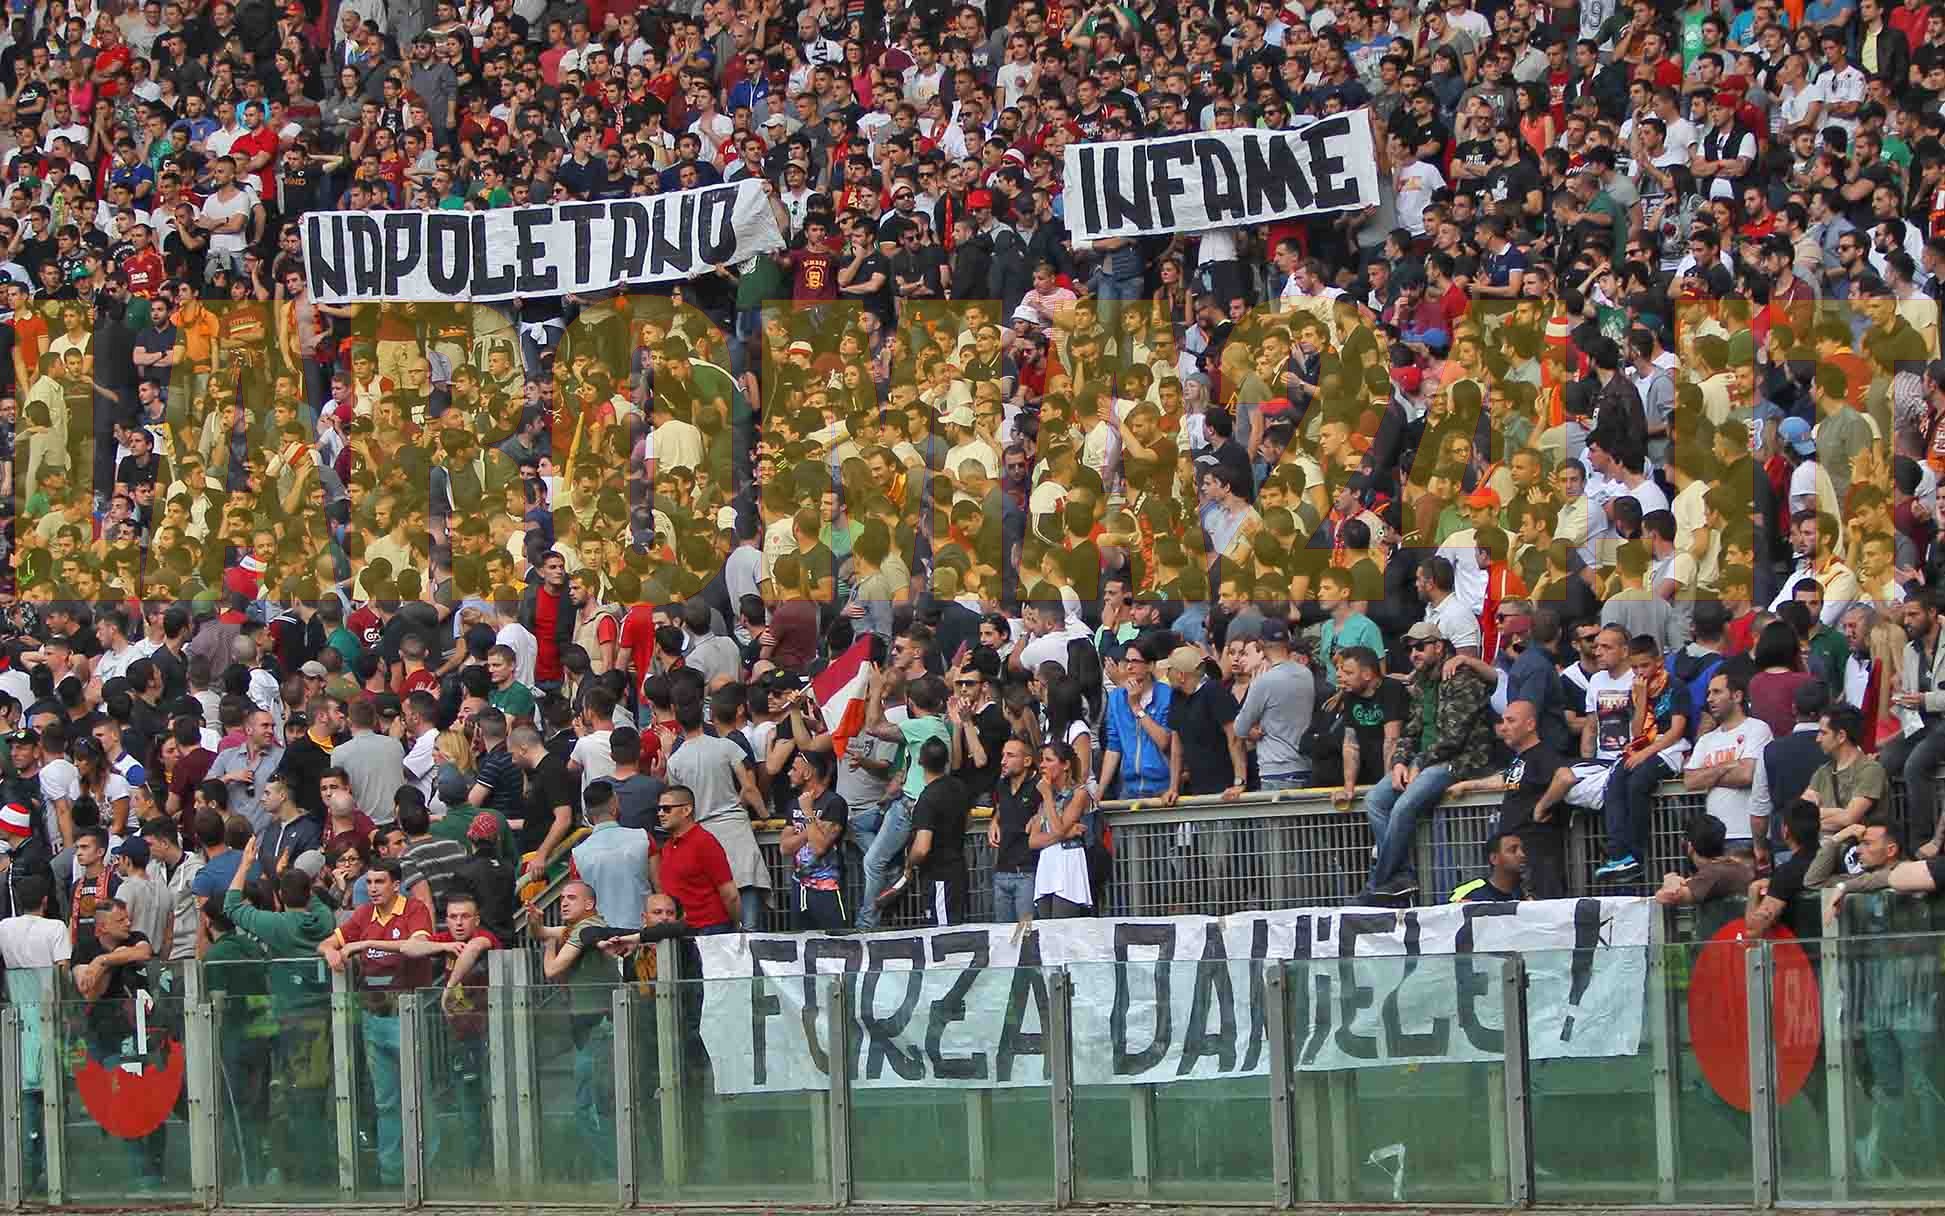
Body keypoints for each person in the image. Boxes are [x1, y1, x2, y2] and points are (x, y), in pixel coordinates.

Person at [317, 859, 434, 1188]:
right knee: (386, 1102)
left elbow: (418, 946)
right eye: (369, 883)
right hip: (373, 1016)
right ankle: (392, 1177)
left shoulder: (413, 909)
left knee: (418, 1095)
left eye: (379, 882)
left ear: (395, 884)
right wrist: (331, 953)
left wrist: (367, 944)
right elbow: (328, 942)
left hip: (406, 1014)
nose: (372, 888)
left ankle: (428, 1174)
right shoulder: (364, 913)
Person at [1361, 620, 1496, 901]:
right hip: (1422, 763)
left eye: (1420, 647)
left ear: (1439, 646)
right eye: (1410, 649)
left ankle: (1378, 884)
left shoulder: (1463, 678)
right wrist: (1400, 761)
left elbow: (1453, 738)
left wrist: (1417, 763)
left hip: (1460, 762)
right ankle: (1401, 875)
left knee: (1404, 805)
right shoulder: (1420, 684)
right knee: (1375, 799)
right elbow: (1411, 730)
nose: (1414, 654)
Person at [526, 881, 616, 1173]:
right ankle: (611, 1172)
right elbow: (540, 932)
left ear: (589, 905)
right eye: (562, 898)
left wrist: (549, 946)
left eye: (571, 898)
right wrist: (535, 923)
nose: (563, 903)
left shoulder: (586, 928)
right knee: (590, 1104)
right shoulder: (577, 929)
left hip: (596, 1029)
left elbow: (552, 969)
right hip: (588, 1029)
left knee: (591, 1106)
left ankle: (612, 1173)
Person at [1594, 635, 1693, 882]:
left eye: (1644, 666)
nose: (1640, 672)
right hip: (1644, 747)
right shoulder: (1636, 689)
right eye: (1635, 667)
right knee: (1616, 779)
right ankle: (1618, 852)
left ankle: (1636, 854)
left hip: (1671, 749)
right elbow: (1637, 732)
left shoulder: (1675, 686)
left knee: (1638, 781)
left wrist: (1645, 754)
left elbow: (1677, 729)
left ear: (1658, 662)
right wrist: (1640, 701)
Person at [1459, 700, 1574, 897]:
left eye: (1511, 721)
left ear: (1530, 725)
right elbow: (1506, 779)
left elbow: (1566, 777)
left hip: (1538, 855)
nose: (1504, 727)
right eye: (1502, 721)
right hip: (1519, 860)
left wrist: (1541, 807)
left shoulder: (1543, 754)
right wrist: (1468, 785)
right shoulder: (1522, 759)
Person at [883, 738, 971, 925]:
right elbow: (968, 822)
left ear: (919, 762)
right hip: (958, 871)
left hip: (939, 877)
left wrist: (909, 864)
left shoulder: (927, 799)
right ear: (946, 760)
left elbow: (922, 848)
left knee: (943, 934)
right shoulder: (960, 787)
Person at [1682, 671, 1774, 850]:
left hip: (1747, 834)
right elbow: (1690, 781)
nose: (1709, 698)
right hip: (1713, 839)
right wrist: (1728, 765)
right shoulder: (1706, 740)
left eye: (1717, 692)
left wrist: (1708, 775)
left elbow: (1746, 775)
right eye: (1709, 693)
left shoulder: (1757, 729)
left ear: (1737, 696)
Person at [648, 787, 740, 935]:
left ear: (686, 810)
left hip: (710, 930)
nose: (660, 814)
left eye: (667, 809)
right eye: (658, 809)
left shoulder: (705, 842)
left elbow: (730, 894)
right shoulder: (668, 846)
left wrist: (736, 926)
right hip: (680, 930)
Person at [780, 750, 847, 931]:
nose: (789, 773)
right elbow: (785, 848)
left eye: (794, 769)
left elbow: (818, 848)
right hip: (799, 887)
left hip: (827, 889)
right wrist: (811, 830)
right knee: (802, 944)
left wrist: (808, 813)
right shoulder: (794, 804)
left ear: (808, 773)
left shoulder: (834, 803)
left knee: (835, 942)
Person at [1029, 740, 1094, 917]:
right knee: (1046, 929)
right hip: (1048, 862)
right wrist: (1066, 834)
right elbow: (1033, 841)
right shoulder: (1045, 799)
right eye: (1042, 760)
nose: (1042, 765)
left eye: (1049, 760)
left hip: (1069, 862)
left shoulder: (1079, 793)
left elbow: (1057, 829)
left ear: (1065, 765)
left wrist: (1047, 795)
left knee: (1063, 925)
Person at [1654, 813, 1756, 908]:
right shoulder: (1729, 865)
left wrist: (1671, 879)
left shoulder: (1714, 872)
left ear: (1690, 846)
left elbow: (1665, 897)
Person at [986, 739, 1039, 924]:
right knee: (1003, 936)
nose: (1003, 761)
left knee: (1027, 935)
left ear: (1027, 761)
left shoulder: (1039, 785)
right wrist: (994, 821)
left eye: (1010, 755)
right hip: (1001, 871)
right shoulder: (1001, 784)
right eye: (1003, 755)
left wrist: (1039, 816)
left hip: (1027, 872)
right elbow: (1000, 807)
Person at [1450, 833, 1526, 902]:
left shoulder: (1529, 891)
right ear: (1494, 858)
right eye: (1513, 850)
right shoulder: (1466, 893)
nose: (1522, 855)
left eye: (1523, 850)